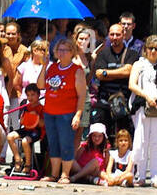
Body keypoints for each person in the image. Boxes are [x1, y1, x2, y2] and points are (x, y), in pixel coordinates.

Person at [37, 37, 87, 184]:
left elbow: (82, 95)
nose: (61, 53)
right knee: (53, 143)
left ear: (71, 52)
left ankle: (65, 174)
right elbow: (40, 85)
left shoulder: (76, 71)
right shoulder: (52, 68)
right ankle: (54, 174)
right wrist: (44, 66)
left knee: (66, 143)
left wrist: (78, 115)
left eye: (65, 50)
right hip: (50, 112)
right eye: (59, 50)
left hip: (67, 113)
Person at [127, 36, 157, 187]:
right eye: (150, 48)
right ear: (145, 49)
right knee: (141, 141)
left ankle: (155, 176)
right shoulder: (139, 64)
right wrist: (146, 96)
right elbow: (132, 85)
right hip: (142, 105)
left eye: (156, 48)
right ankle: (140, 175)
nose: (153, 51)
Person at [91, 23, 139, 136]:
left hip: (124, 102)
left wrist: (107, 72)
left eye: (118, 34)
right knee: (102, 136)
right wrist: (121, 72)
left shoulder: (132, 54)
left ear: (123, 35)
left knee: (124, 137)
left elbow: (129, 71)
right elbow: (99, 74)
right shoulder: (103, 53)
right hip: (104, 101)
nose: (115, 37)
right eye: (112, 34)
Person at [7, 83, 45, 176]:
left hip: (36, 131)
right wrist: (26, 117)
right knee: (10, 136)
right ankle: (17, 159)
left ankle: (28, 164)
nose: (30, 97)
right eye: (28, 95)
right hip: (26, 129)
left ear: (38, 95)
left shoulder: (41, 108)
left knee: (25, 141)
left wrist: (35, 116)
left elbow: (42, 124)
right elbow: (23, 122)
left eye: (33, 95)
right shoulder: (25, 107)